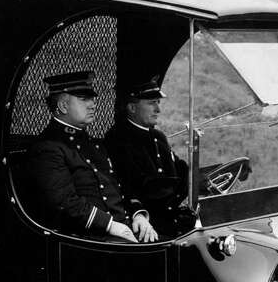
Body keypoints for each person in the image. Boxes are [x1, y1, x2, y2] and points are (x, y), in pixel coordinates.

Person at [24, 71, 157, 243]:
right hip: (85, 240)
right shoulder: (47, 149)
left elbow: (118, 187)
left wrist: (138, 215)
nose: (93, 105)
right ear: (63, 106)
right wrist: (111, 225)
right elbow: (65, 203)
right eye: (84, 99)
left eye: (92, 99)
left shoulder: (94, 145)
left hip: (119, 230)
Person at [104, 75, 194, 236]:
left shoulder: (158, 137)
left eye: (158, 103)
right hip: (144, 224)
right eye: (152, 103)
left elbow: (180, 171)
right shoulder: (118, 139)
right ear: (132, 108)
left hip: (171, 217)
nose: (158, 110)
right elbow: (132, 187)